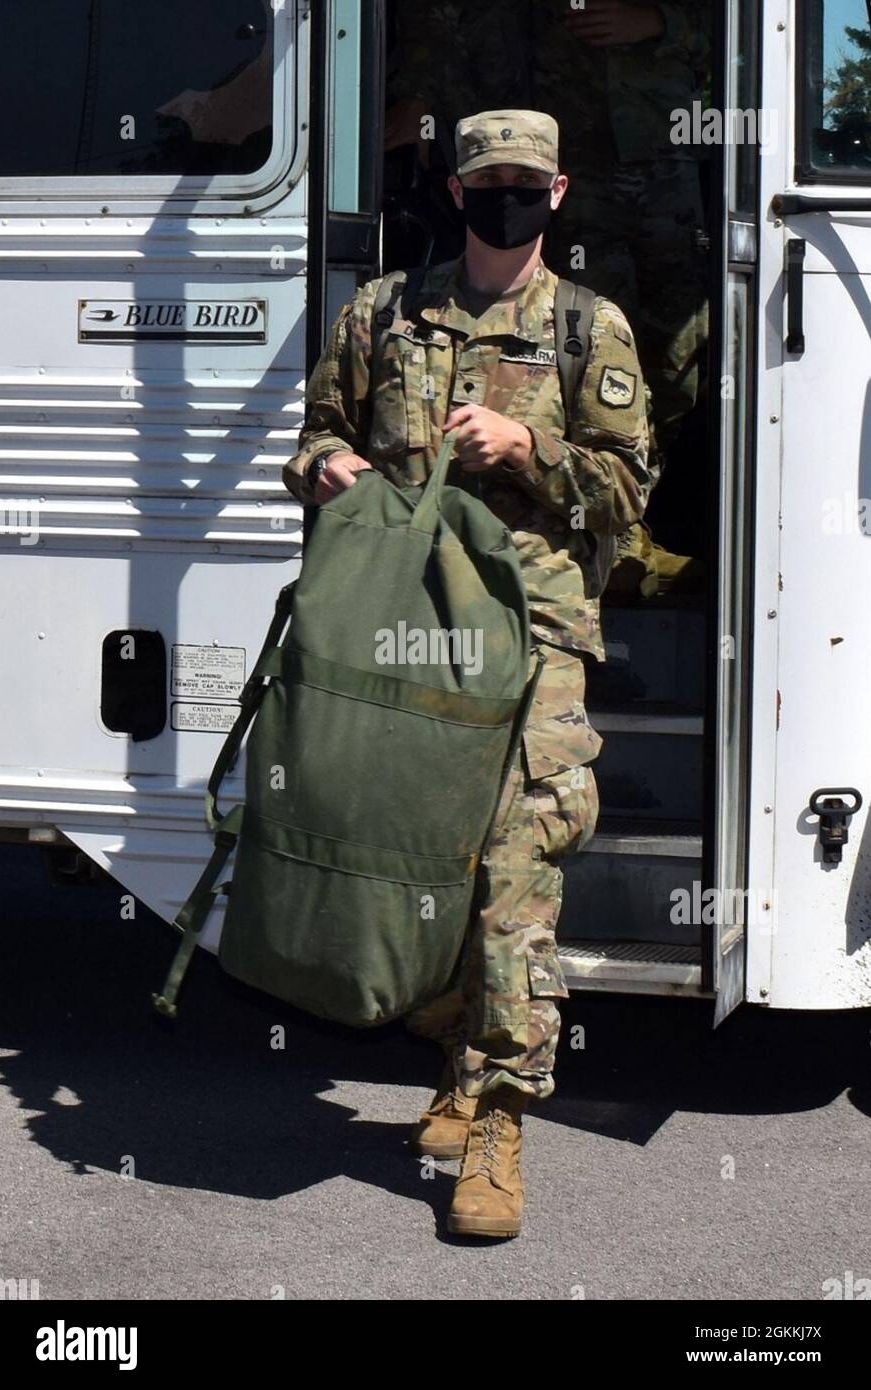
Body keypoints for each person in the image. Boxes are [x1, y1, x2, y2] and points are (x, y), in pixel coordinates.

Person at [283, 111, 651, 1238]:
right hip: (406, 631)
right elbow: (310, 440)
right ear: (454, 190)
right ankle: (457, 1055)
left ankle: (498, 1119)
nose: (506, 198)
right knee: (412, 863)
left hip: (530, 635)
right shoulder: (384, 312)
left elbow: (631, 495)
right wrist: (329, 469)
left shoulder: (589, 326)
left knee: (512, 870)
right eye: (487, 182)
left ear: (558, 191)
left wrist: (529, 449)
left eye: (525, 183)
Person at [385, 0, 712, 594]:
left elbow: (754, 33)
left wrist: (663, 20)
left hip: (666, 159)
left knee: (680, 356)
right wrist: (425, 101)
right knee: (580, 350)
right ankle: (618, 546)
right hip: (560, 170)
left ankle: (632, 516)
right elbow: (454, 27)